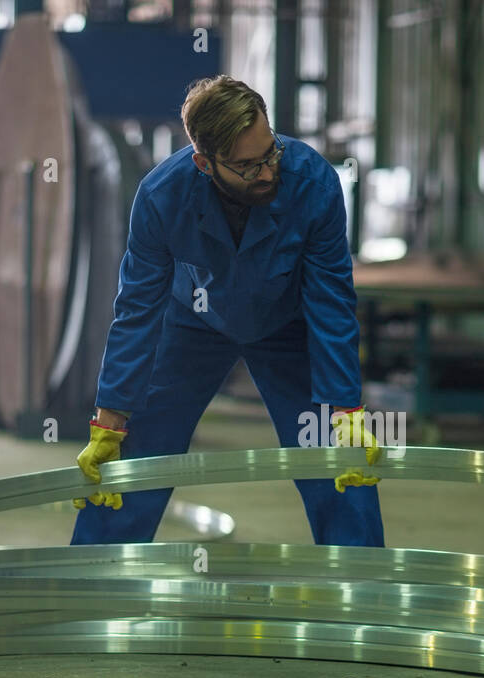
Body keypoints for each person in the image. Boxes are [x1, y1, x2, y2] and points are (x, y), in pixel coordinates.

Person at [70, 75, 384, 547]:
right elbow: (137, 309)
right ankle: (89, 585)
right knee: (133, 459)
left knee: (338, 460)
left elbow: (332, 302)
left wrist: (346, 407)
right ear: (204, 162)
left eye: (270, 153)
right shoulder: (161, 196)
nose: (267, 173)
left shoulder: (314, 184)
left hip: (288, 324)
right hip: (192, 321)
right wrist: (109, 418)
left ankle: (365, 591)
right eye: (247, 165)